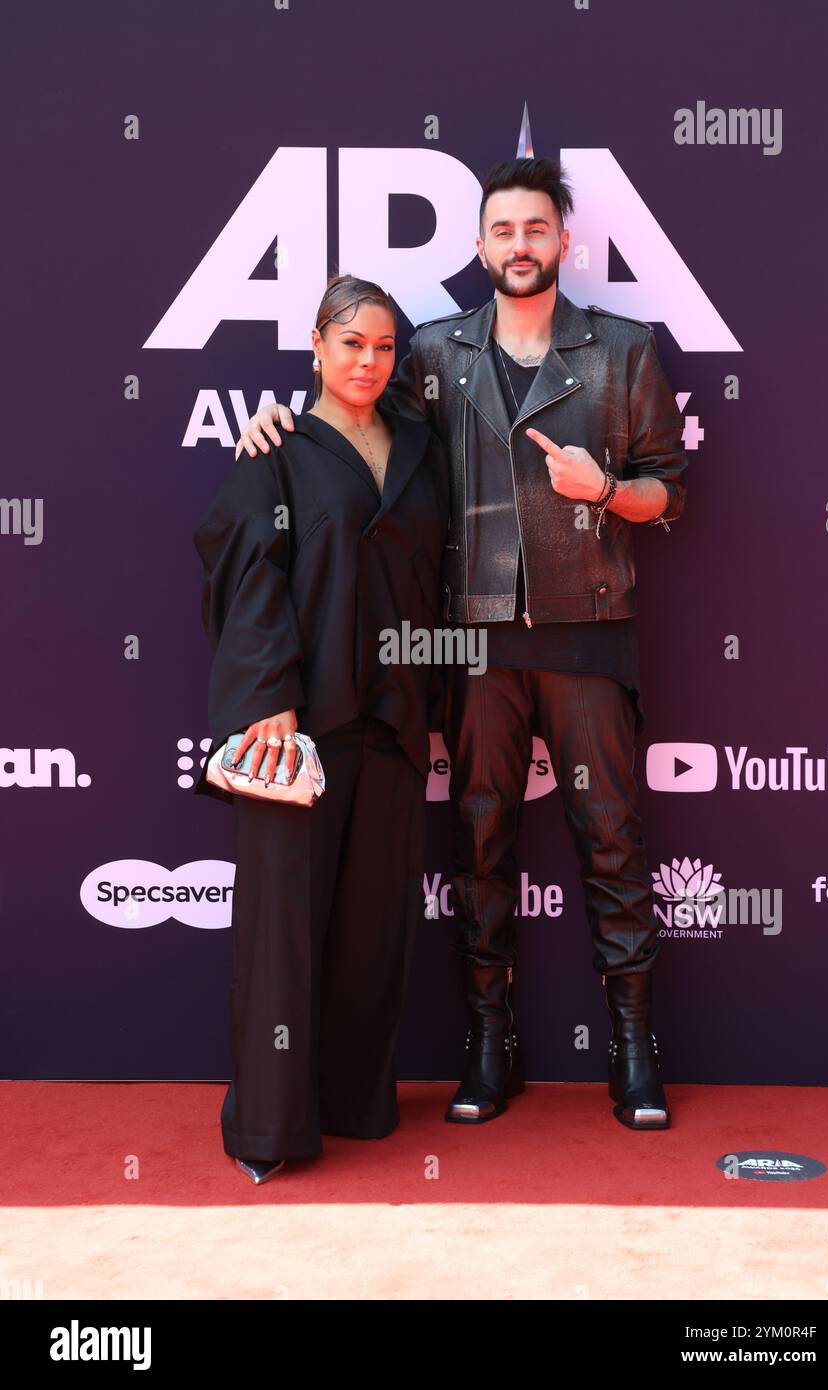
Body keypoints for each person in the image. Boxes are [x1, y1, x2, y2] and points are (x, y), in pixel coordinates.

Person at [234, 157, 690, 1132]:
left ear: (562, 242)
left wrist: (602, 492)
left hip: (588, 633)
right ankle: (492, 1045)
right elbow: (353, 423)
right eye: (501, 231)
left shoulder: (624, 351)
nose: (518, 246)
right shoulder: (434, 354)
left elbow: (666, 493)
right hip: (469, 644)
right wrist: (276, 420)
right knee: (479, 841)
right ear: (480, 246)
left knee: (610, 842)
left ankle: (632, 1052)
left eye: (534, 229)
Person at [193, 274, 450, 1183]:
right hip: (294, 726)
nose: (368, 363)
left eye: (384, 348)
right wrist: (268, 696)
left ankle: (351, 1100)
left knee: (374, 927)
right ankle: (270, 1128)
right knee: (282, 929)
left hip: (391, 717)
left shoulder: (423, 446)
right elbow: (247, 569)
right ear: (315, 345)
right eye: (351, 345)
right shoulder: (275, 448)